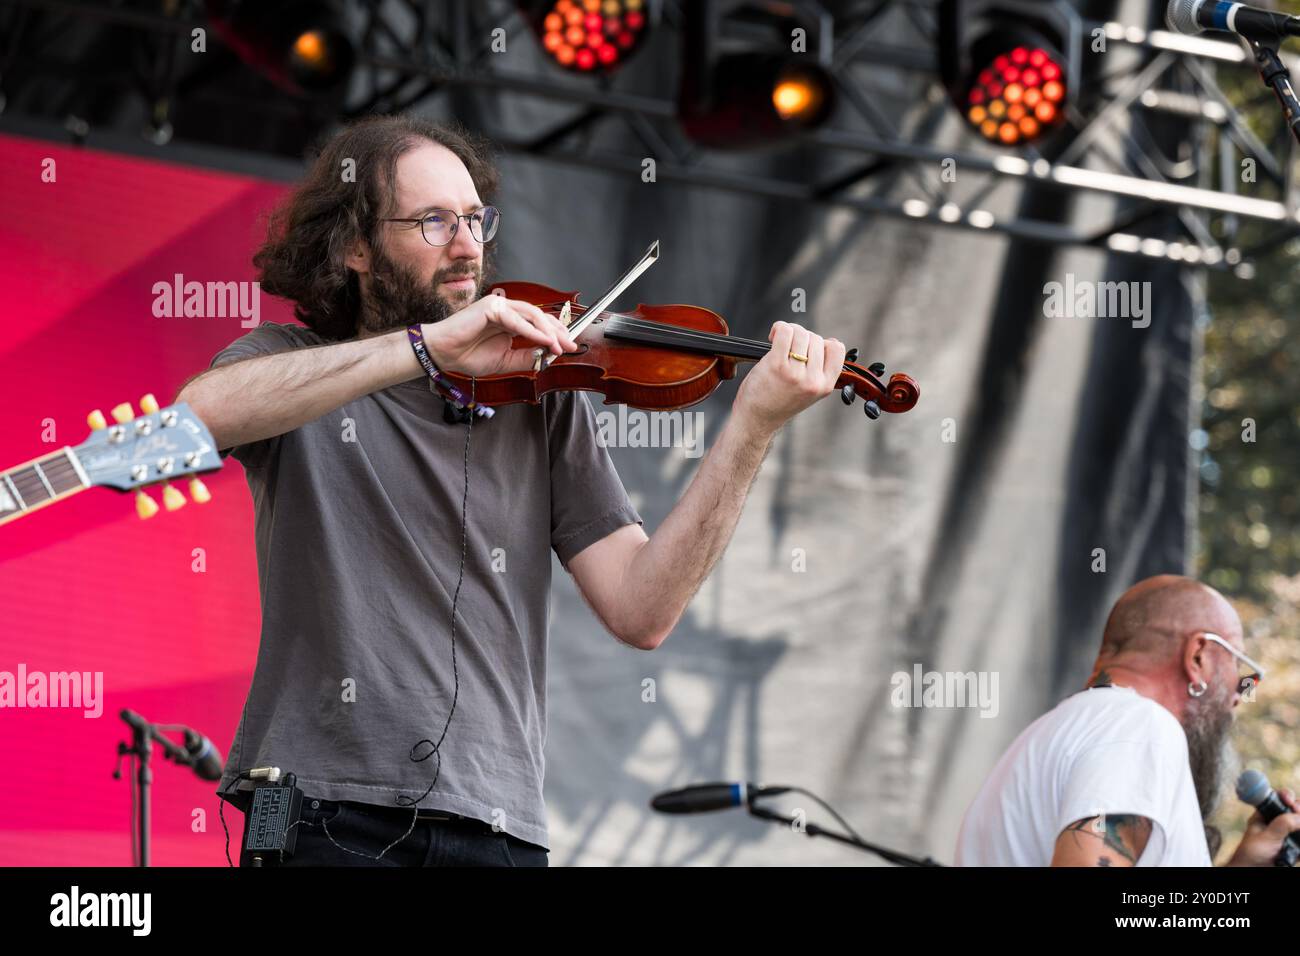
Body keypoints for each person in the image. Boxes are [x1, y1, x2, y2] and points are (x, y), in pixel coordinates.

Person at [174, 114, 848, 866]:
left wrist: (753, 426)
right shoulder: (290, 361)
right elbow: (197, 418)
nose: (467, 246)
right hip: (307, 802)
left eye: (474, 218)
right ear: (355, 246)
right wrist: (425, 350)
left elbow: (642, 610)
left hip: (496, 821)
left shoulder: (539, 391)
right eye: (432, 221)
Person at [955, 574, 1300, 866]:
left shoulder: (1052, 732)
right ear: (1198, 657)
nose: (1238, 695)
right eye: (1239, 669)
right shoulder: (1140, 727)